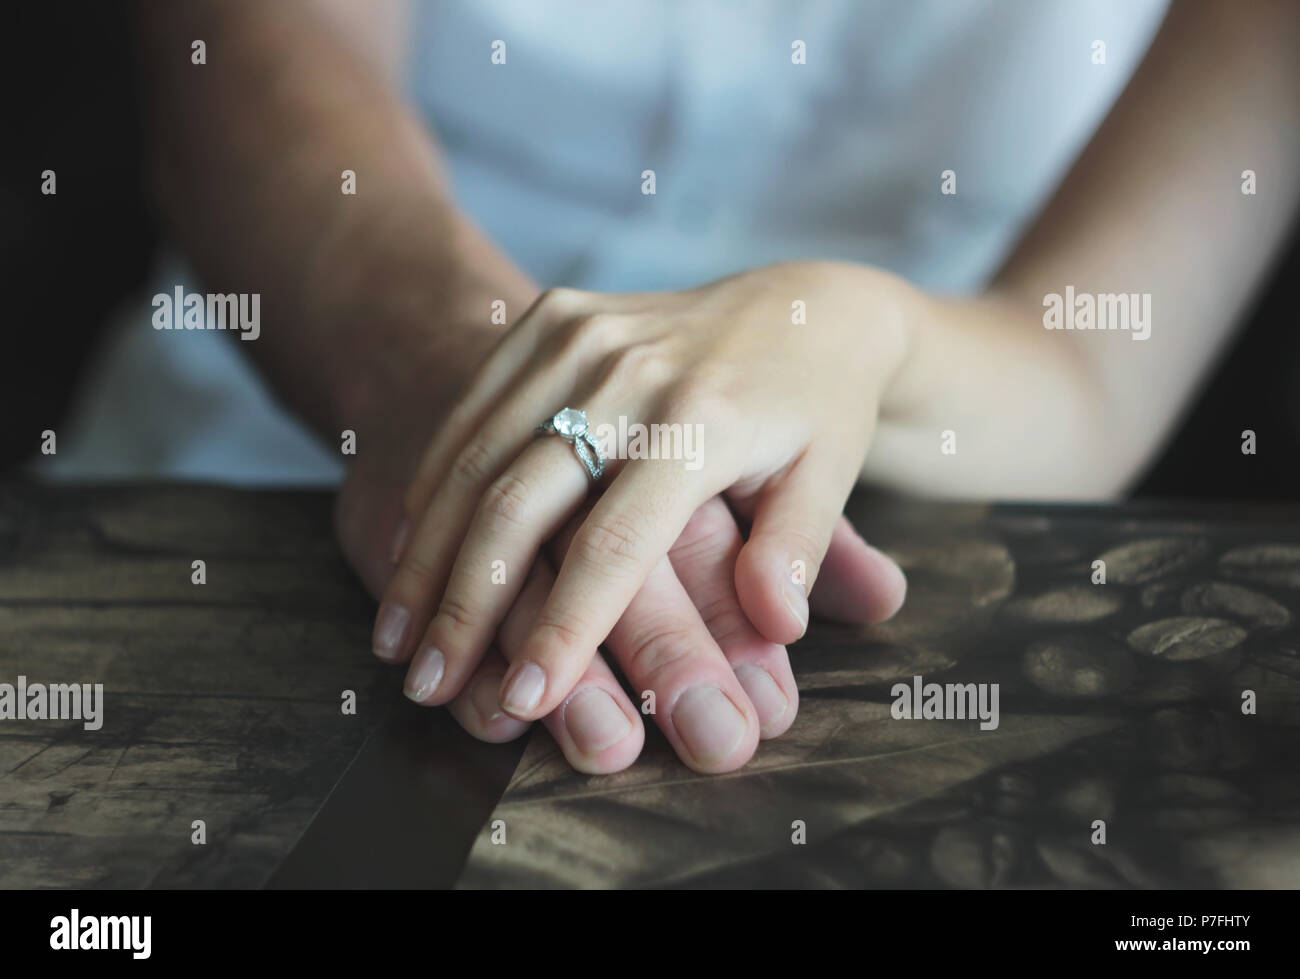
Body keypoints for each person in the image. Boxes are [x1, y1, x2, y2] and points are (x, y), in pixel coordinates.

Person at [122, 0, 1298, 775]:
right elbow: (237, 73)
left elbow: (1089, 375)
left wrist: (865, 331)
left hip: (855, 541)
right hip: (274, 435)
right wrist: (460, 379)